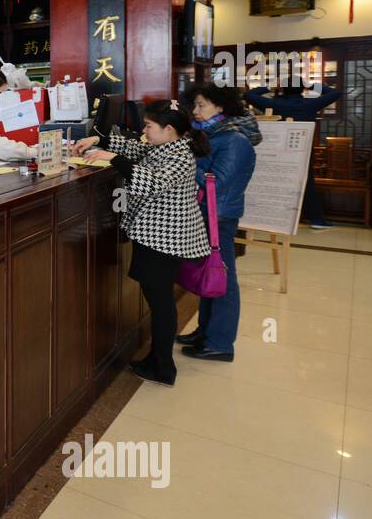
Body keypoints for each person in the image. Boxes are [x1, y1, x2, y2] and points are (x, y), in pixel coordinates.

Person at [76, 100, 211, 386]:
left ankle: (163, 367)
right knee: (158, 301)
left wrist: (110, 157)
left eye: (149, 126)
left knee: (161, 304)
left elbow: (149, 181)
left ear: (169, 129)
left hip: (165, 240)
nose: (144, 131)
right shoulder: (168, 146)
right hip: (156, 237)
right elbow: (135, 149)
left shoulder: (180, 156)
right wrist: (99, 140)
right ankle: (157, 360)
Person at [176, 83, 258, 363]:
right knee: (209, 274)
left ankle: (221, 342)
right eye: (194, 106)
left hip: (218, 215)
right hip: (207, 213)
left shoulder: (234, 139)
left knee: (223, 278)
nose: (195, 112)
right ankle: (206, 332)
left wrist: (187, 160)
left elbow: (217, 183)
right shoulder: (212, 134)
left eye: (201, 106)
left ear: (220, 106)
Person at [244, 81, 340, 229]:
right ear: (302, 88)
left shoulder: (272, 104)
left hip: (275, 150)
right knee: (307, 182)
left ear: (282, 88)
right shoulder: (310, 104)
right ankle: (316, 219)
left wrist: (270, 86)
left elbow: (249, 95)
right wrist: (312, 85)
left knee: (272, 182)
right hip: (302, 148)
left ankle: (268, 218)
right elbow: (335, 93)